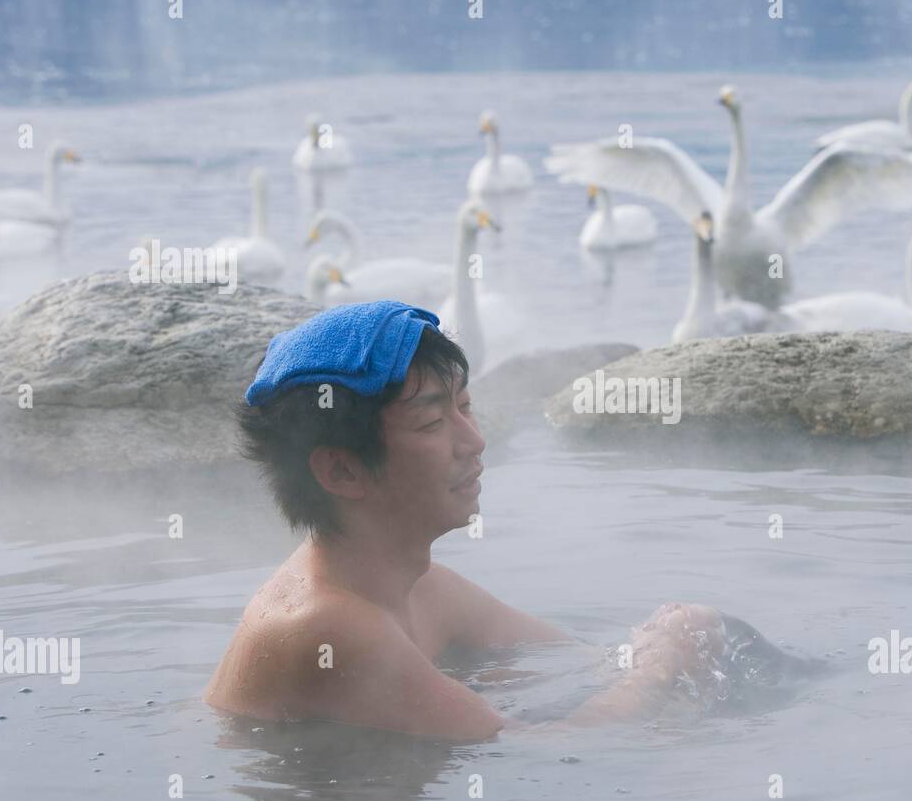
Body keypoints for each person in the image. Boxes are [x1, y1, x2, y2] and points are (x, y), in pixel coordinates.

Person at [204, 301, 724, 740]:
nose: (474, 441)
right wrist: (663, 663)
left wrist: (661, 644)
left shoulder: (420, 589)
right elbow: (544, 752)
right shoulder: (328, 628)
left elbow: (586, 663)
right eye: (432, 421)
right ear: (342, 469)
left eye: (466, 407)